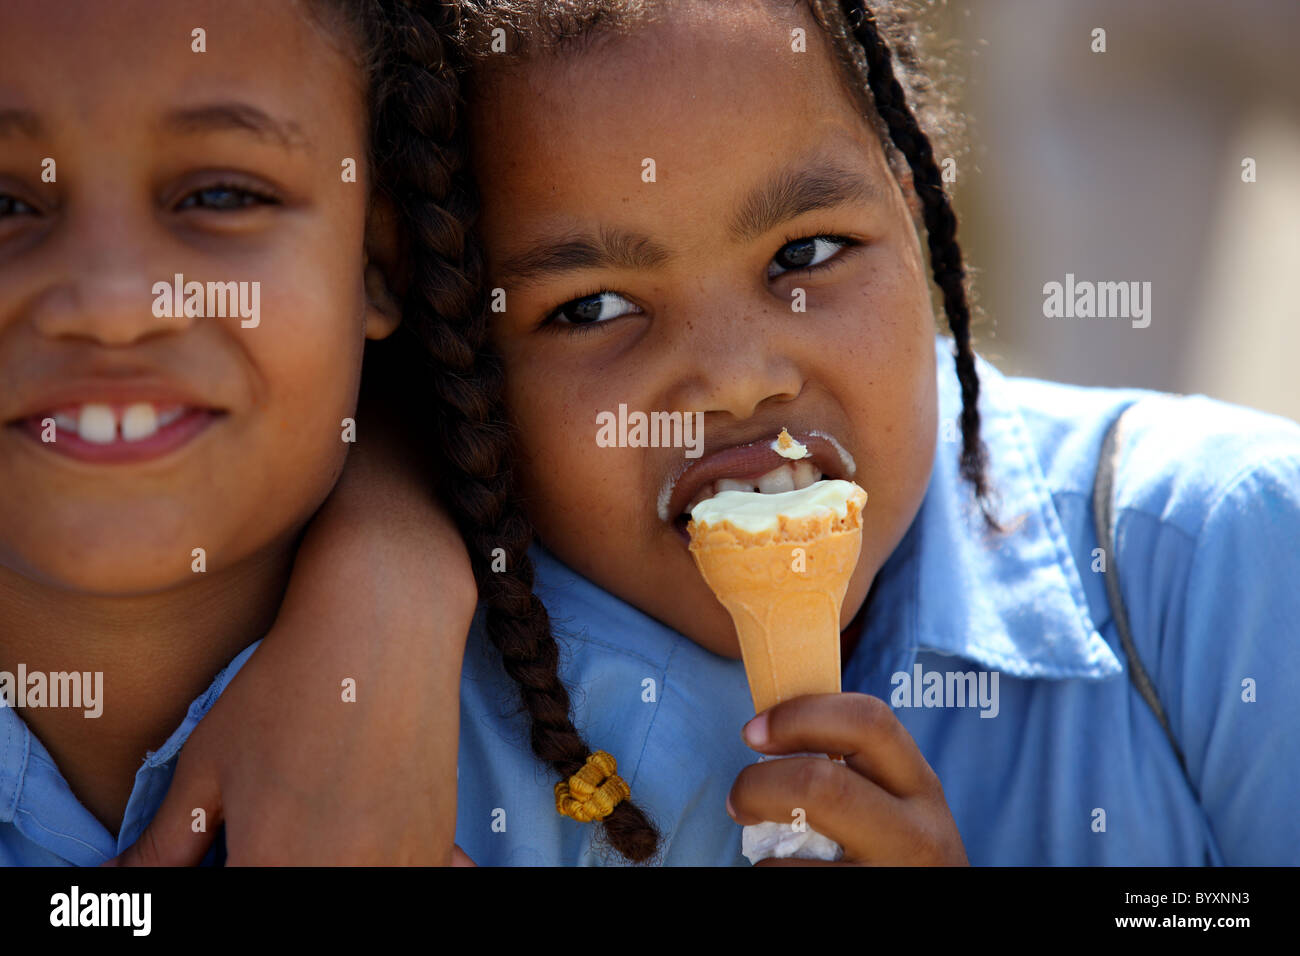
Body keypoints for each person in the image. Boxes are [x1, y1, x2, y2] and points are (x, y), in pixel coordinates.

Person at [443, 0, 1300, 864]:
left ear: (914, 198)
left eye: (807, 254)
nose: (742, 379)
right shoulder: (431, 737)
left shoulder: (1227, 557)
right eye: (593, 308)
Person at [0, 0, 476, 865]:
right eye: (2, 202)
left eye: (220, 195)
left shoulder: (657, 754)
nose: (114, 307)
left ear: (378, 260)